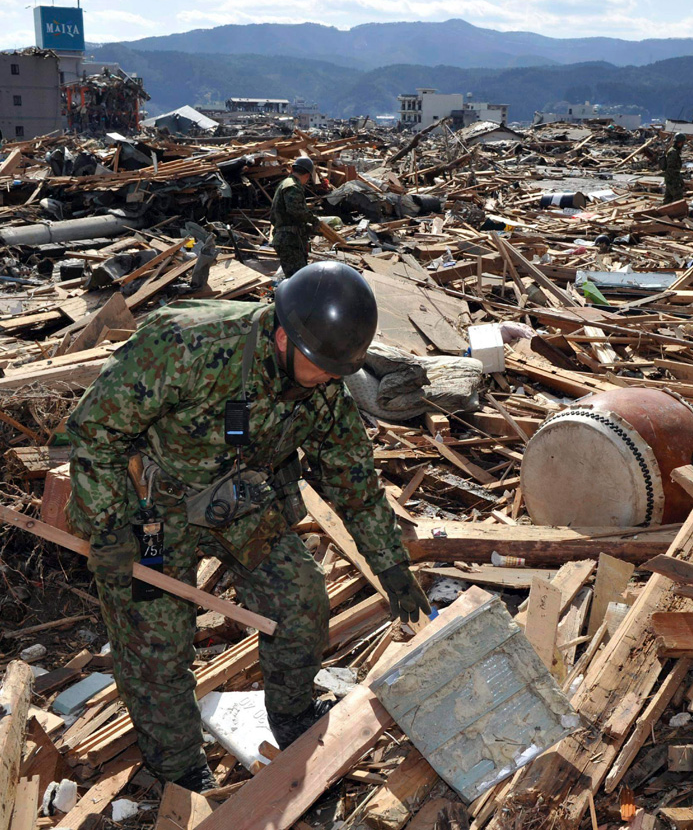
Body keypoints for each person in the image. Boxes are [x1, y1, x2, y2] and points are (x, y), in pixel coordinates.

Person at [66, 262, 429, 792]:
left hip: (237, 499)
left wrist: (391, 565)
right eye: (322, 367)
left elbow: (351, 474)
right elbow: (95, 431)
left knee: (301, 600)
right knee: (158, 643)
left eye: (337, 371)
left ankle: (290, 714)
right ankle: (177, 769)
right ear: (285, 337)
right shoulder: (189, 345)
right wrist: (106, 531)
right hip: (153, 512)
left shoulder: (323, 381)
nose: (331, 380)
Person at [270, 156, 321, 277]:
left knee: (296, 278)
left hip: (286, 239)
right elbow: (296, 210)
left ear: (292, 170)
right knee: (299, 279)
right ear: (308, 175)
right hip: (289, 241)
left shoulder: (285, 184)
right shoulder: (293, 186)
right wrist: (314, 221)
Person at [663, 133, 686, 204]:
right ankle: (675, 213)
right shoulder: (673, 153)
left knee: (668, 197)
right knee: (678, 197)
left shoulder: (674, 151)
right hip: (672, 178)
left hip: (671, 178)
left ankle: (664, 212)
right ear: (679, 143)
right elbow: (671, 169)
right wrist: (679, 179)